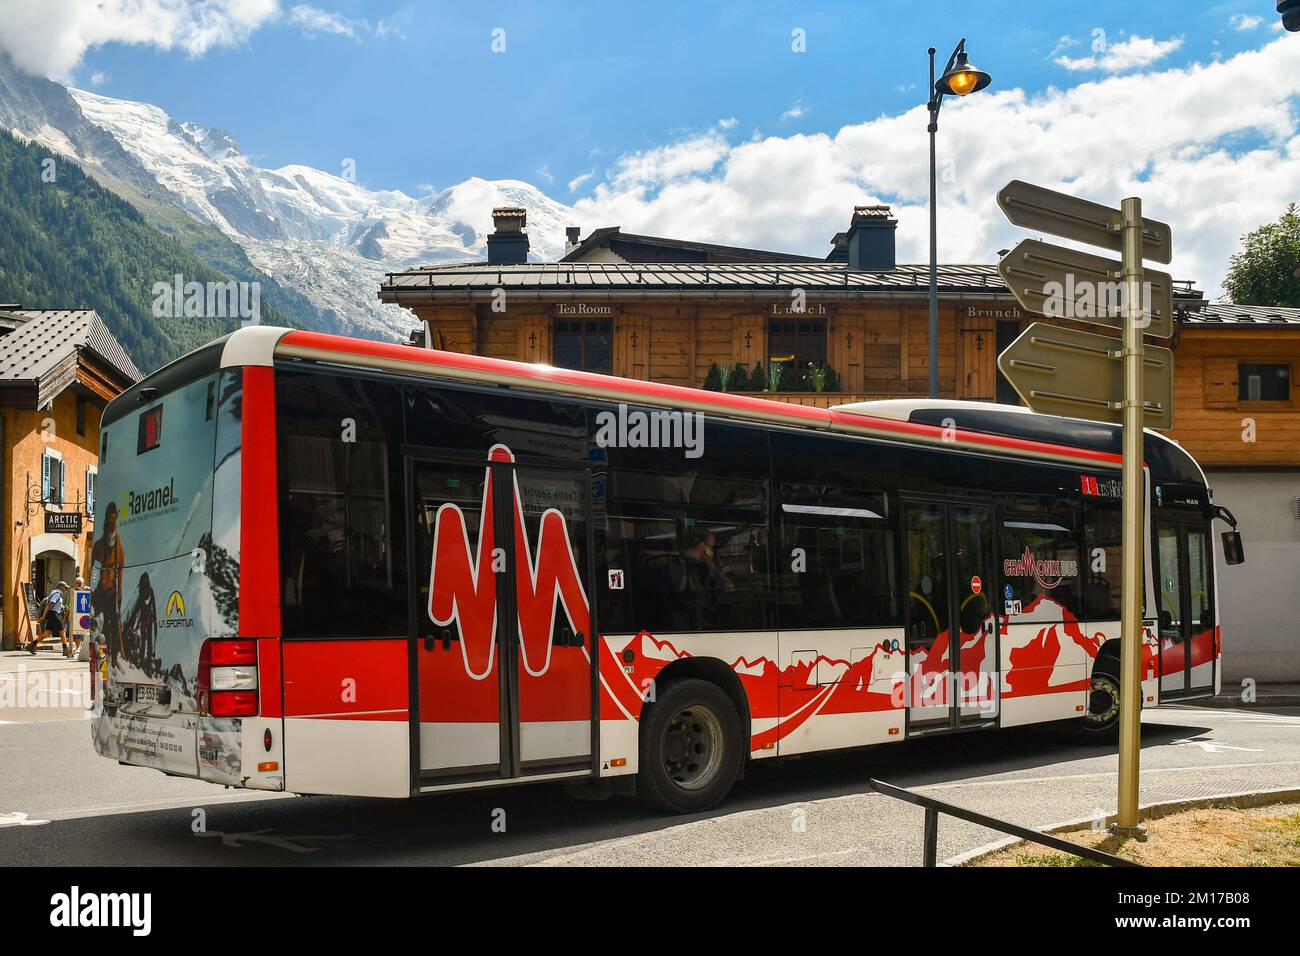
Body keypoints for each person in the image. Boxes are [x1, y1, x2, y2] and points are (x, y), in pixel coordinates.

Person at [91, 501, 125, 659]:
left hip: (112, 591)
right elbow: (94, 570)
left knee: (112, 623)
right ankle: (102, 653)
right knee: (100, 624)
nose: (112, 521)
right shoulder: (98, 545)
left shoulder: (118, 546)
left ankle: (112, 654)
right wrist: (92, 589)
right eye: (109, 518)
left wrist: (119, 591)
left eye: (114, 518)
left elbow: (121, 569)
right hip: (100, 591)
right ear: (106, 520)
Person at [42, 581, 68, 657]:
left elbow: (55, 605)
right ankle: (65, 649)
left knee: (47, 633)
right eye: (65, 587)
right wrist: (44, 616)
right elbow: (50, 604)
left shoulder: (57, 594)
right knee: (62, 630)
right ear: (60, 587)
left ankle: (32, 645)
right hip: (53, 614)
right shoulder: (57, 594)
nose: (66, 589)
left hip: (52, 613)